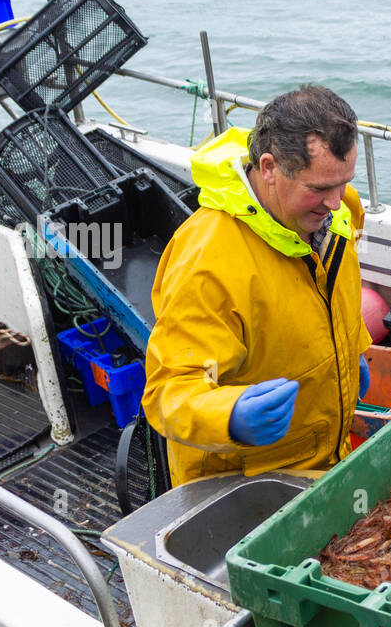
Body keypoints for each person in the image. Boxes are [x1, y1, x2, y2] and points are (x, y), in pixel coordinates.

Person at [141, 85, 373, 485]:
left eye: (344, 181)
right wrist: (230, 415)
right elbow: (168, 392)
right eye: (318, 188)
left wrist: (353, 350)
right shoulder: (207, 260)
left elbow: (330, 297)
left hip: (327, 458)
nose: (337, 202)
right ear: (268, 167)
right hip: (243, 480)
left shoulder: (338, 210)